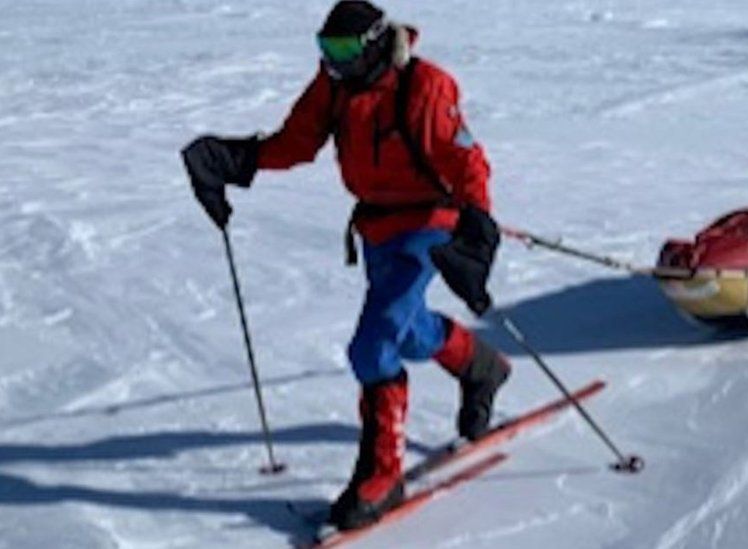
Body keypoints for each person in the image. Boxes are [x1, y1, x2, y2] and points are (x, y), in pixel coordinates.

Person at [181, 0, 510, 531]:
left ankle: (381, 475)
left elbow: (465, 160)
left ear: (377, 43)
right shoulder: (335, 84)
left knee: (372, 347)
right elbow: (297, 141)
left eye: (343, 51)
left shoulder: (425, 86)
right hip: (378, 227)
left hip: (428, 223)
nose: (333, 62)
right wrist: (235, 158)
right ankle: (482, 367)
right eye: (325, 49)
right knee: (402, 334)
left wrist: (478, 223)